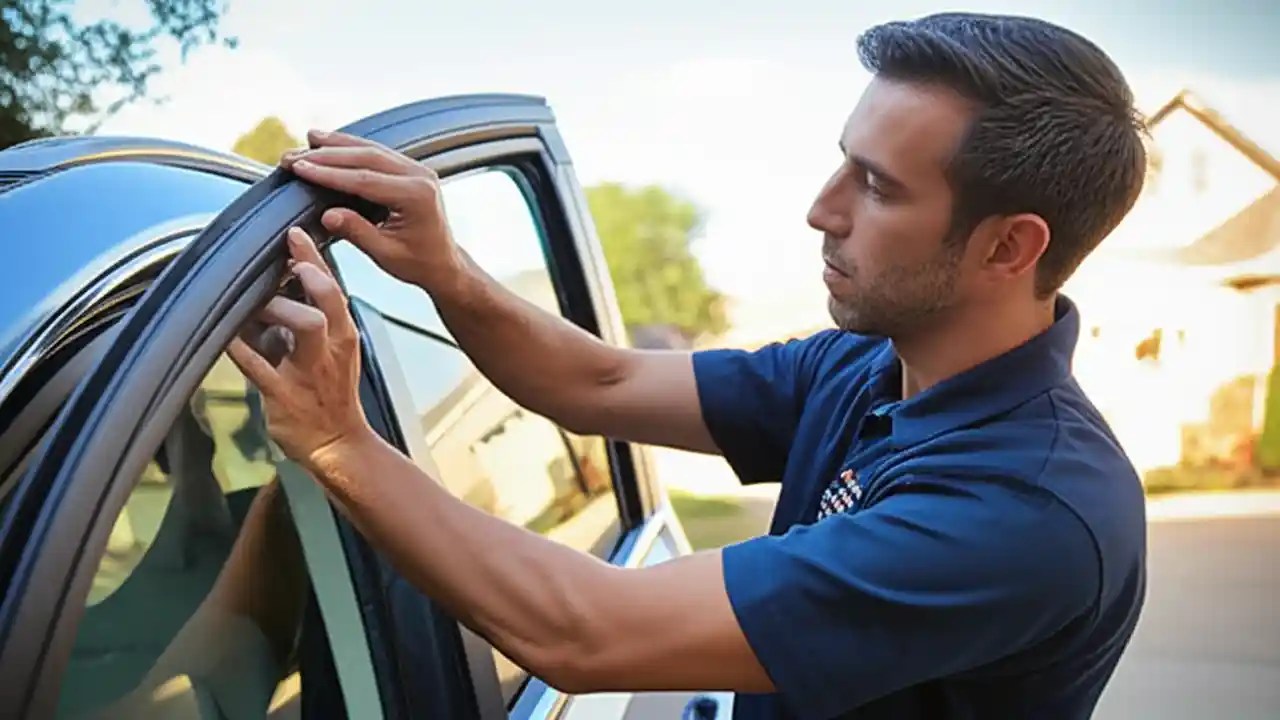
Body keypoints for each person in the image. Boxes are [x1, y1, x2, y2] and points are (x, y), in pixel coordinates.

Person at [227, 11, 1150, 720]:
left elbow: (584, 632)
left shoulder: (1026, 512)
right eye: (844, 165)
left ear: (1007, 249)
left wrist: (339, 441)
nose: (821, 210)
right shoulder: (869, 362)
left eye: (877, 186)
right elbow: (603, 384)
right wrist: (444, 270)